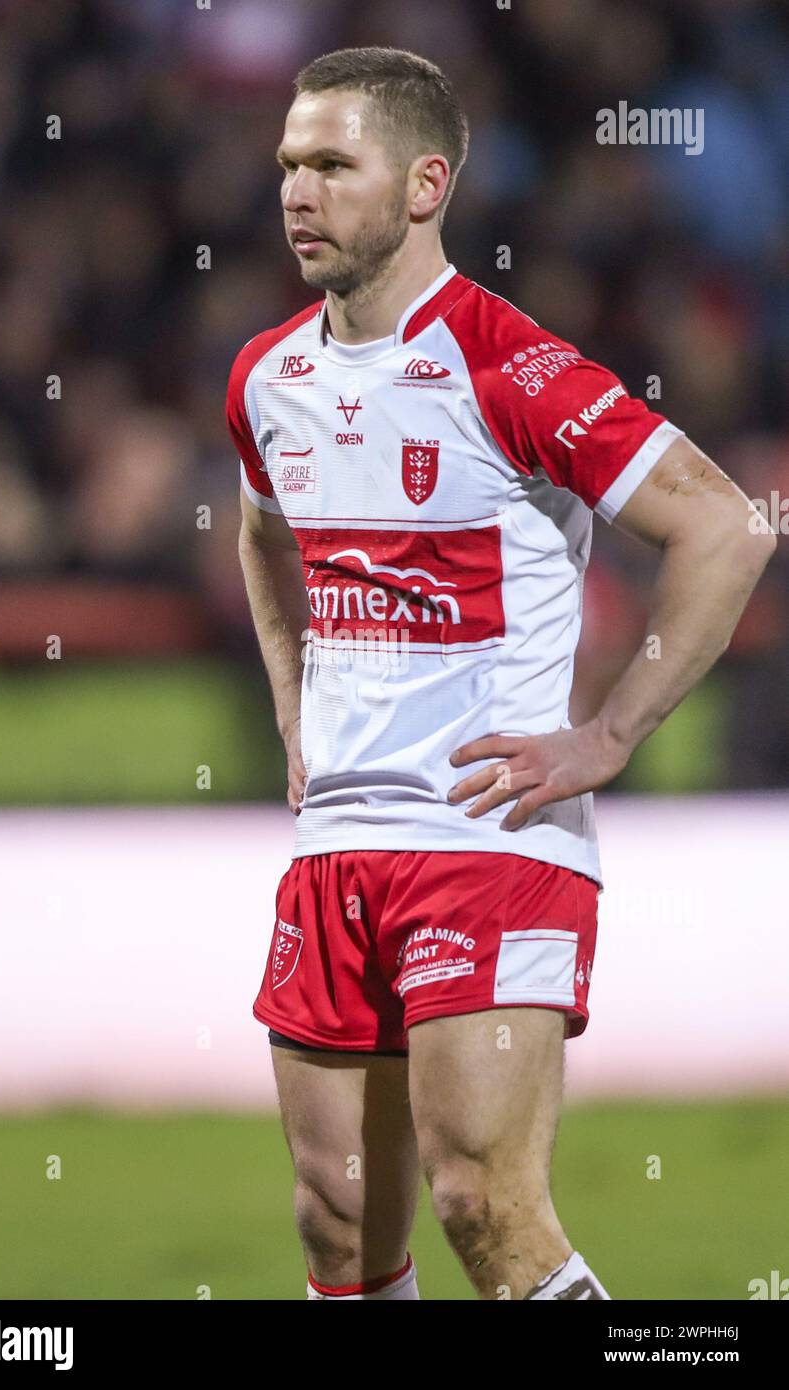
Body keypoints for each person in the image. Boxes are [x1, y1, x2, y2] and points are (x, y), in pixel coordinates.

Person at [226, 46, 774, 1301]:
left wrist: (609, 735)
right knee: (336, 1222)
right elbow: (261, 533)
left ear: (426, 184)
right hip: (338, 839)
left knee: (482, 1200)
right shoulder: (268, 375)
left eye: (331, 166)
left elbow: (729, 527)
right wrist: (293, 708)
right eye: (287, 168)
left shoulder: (507, 361)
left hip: (491, 832)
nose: (297, 194)